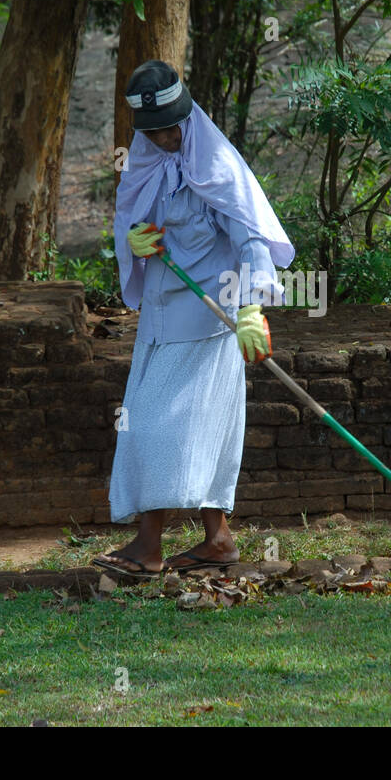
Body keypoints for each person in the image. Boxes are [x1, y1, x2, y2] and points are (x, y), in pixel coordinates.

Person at [92, 59, 294, 577]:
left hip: (209, 326)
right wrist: (135, 242)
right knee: (190, 433)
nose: (161, 140)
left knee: (156, 432)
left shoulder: (218, 167)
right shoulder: (145, 164)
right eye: (152, 131)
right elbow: (131, 224)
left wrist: (251, 307)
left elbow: (252, 238)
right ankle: (218, 540)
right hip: (160, 325)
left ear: (186, 120)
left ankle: (147, 546)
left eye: (168, 129)